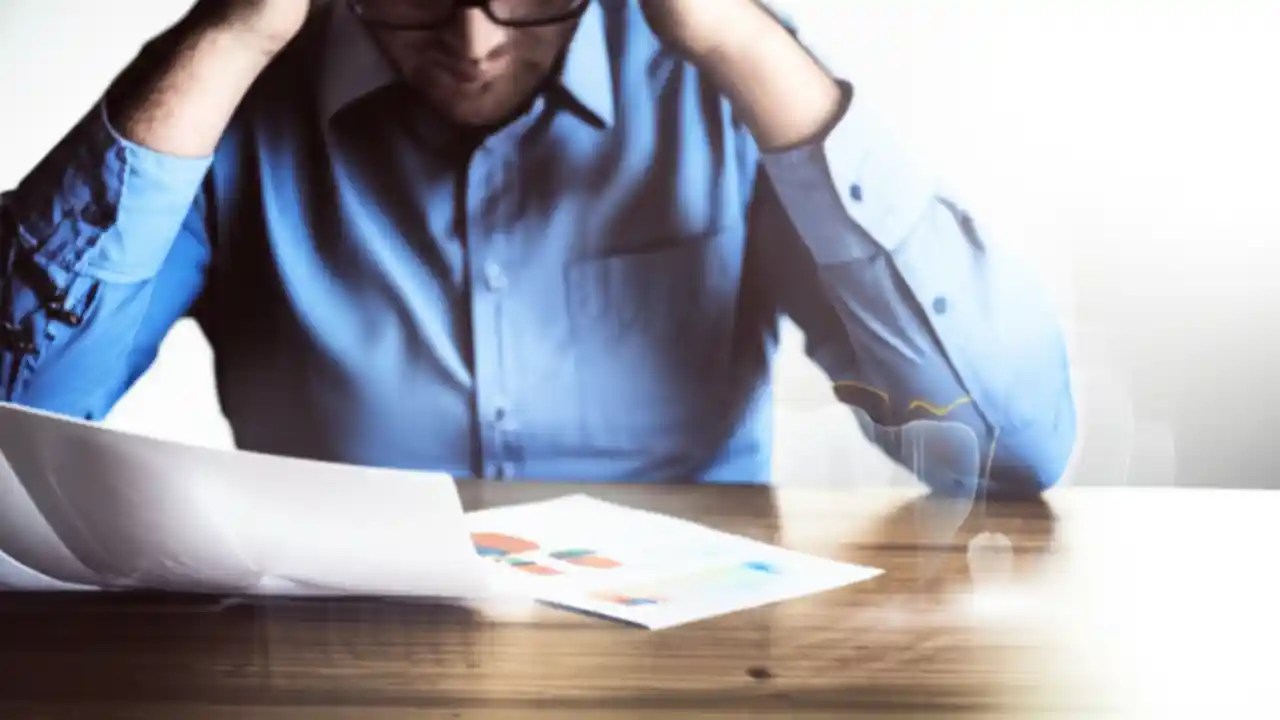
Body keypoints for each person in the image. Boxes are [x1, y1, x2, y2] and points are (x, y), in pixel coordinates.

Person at [0, 0, 1075, 495]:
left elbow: (1002, 457)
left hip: (690, 679)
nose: (472, 39)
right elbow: (15, 425)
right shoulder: (236, 111)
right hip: (332, 680)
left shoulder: (715, 92)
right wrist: (224, 35)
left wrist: (744, 39)